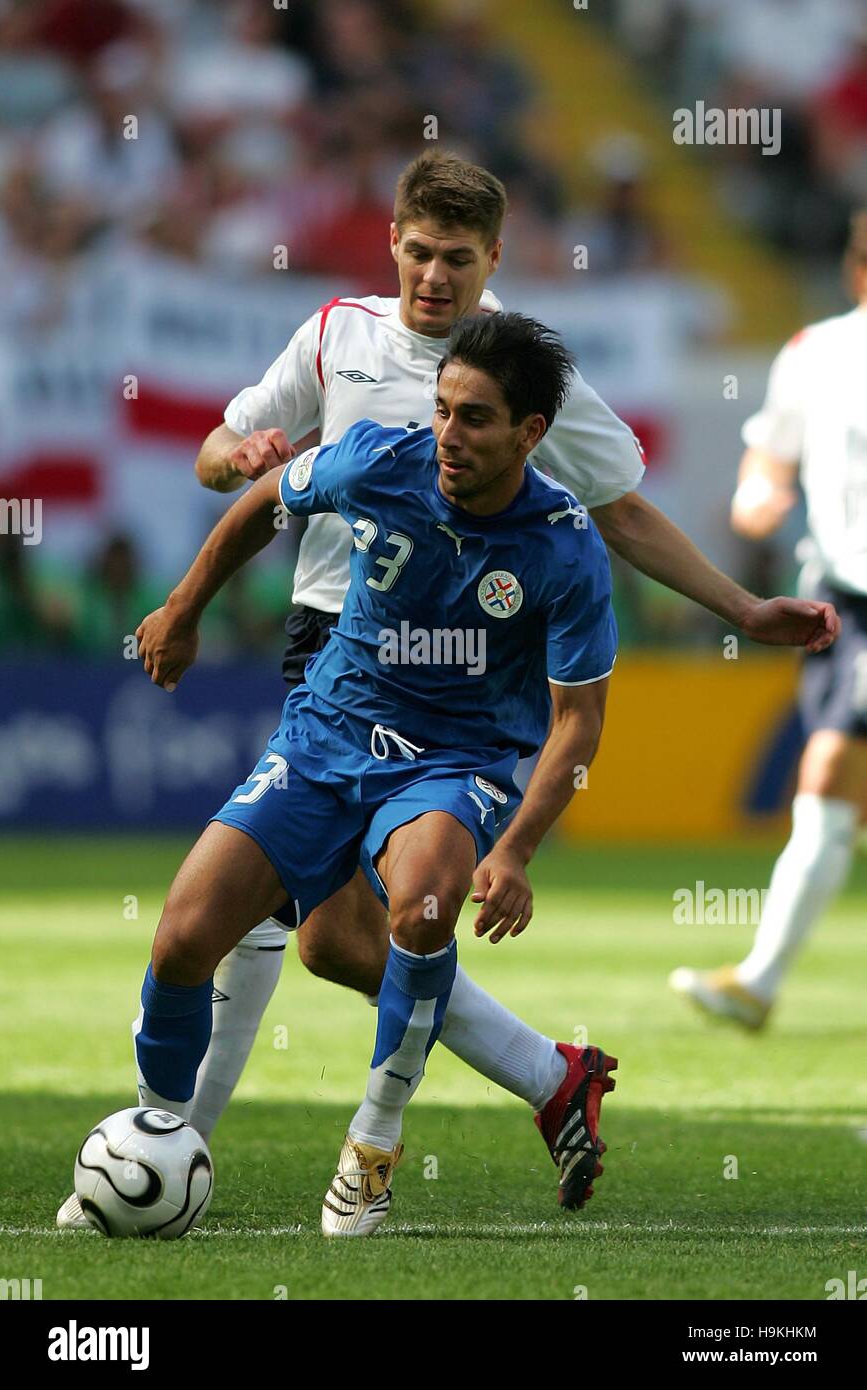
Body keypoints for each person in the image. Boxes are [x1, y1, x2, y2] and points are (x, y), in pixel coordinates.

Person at [181, 150, 838, 1157]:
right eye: (417, 254)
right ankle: (549, 1073)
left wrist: (741, 606)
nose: (433, 277)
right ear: (390, 244)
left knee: (282, 917)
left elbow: (621, 510)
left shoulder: (525, 372)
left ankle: (178, 1140)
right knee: (333, 937)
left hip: (453, 670)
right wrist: (244, 457)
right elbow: (221, 451)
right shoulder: (334, 336)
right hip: (329, 643)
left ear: (492, 258)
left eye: (456, 258)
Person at [129, 313, 617, 1235]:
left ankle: (373, 1148)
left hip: (455, 759)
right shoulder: (373, 460)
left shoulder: (564, 543)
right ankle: (149, 1143)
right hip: (328, 732)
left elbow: (577, 721)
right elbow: (261, 499)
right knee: (188, 937)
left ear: (529, 434)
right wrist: (184, 607)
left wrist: (513, 852)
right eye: (440, 410)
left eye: (474, 419)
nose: (446, 435)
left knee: (424, 905)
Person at [670, 210, 867, 1029]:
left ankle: (758, 977)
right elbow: (769, 451)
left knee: (827, 771)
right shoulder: (814, 354)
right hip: (841, 602)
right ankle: (758, 982)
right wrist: (758, 493)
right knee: (829, 790)